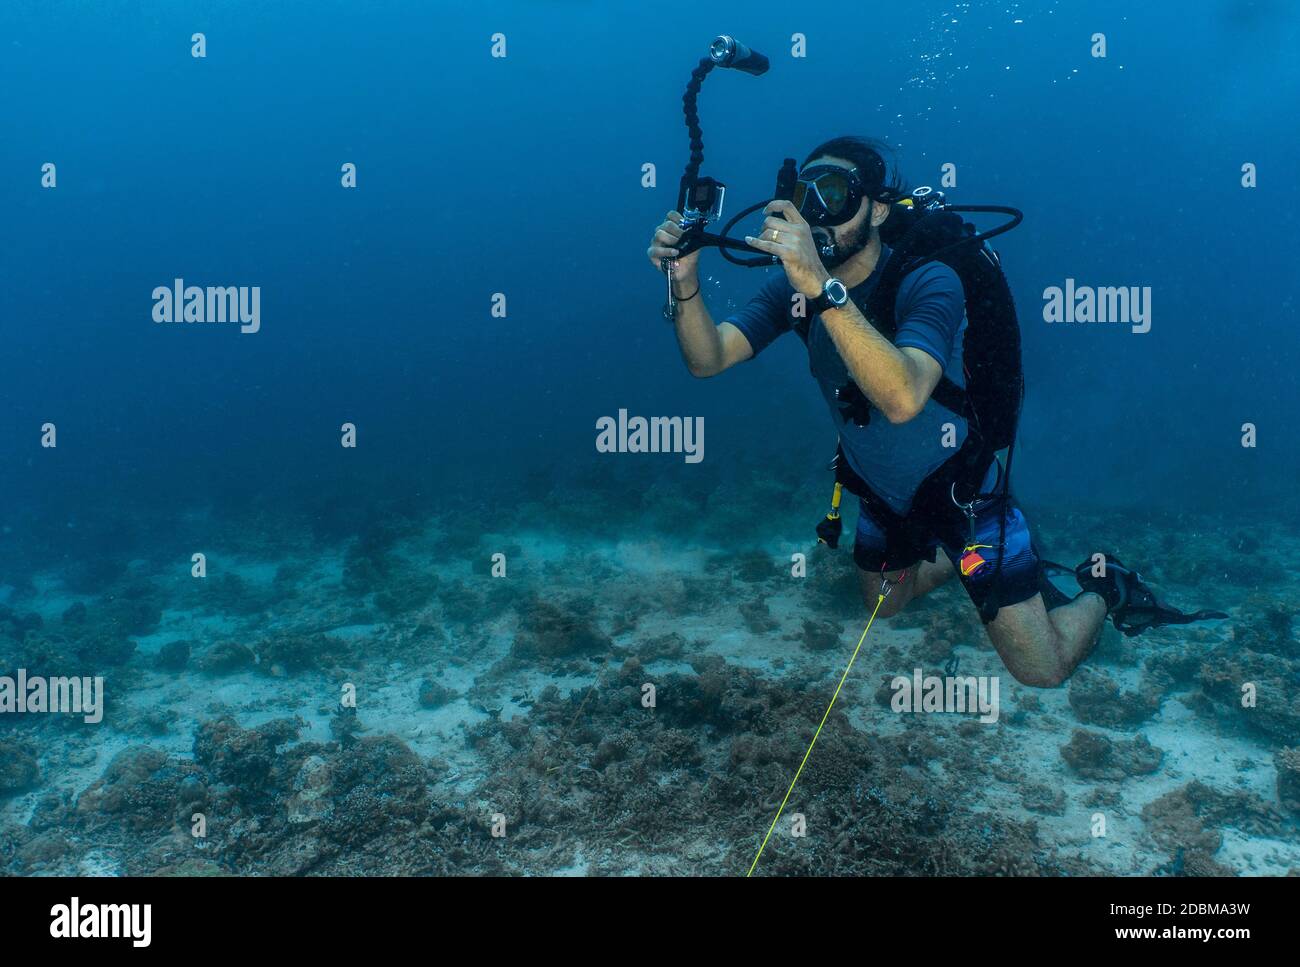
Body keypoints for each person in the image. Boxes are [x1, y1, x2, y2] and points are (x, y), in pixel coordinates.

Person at [647, 136, 1157, 688]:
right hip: (881, 489)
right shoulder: (792, 292)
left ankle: (1103, 589)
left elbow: (903, 397)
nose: (817, 211)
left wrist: (819, 284)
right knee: (884, 607)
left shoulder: (926, 279)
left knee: (1043, 670)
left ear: (878, 209)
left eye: (836, 193)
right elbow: (709, 358)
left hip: (964, 489)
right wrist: (686, 281)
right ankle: (974, 568)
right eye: (804, 194)